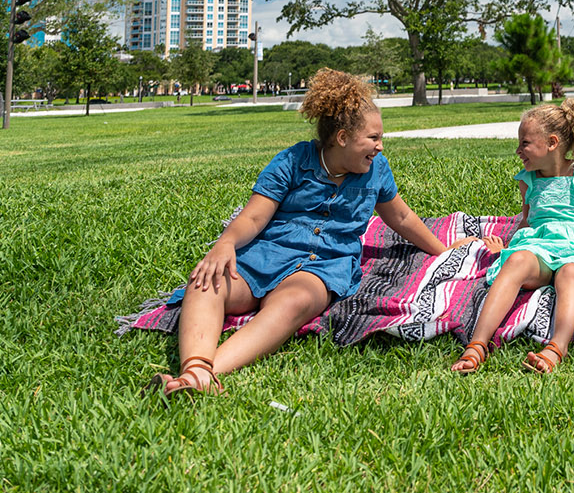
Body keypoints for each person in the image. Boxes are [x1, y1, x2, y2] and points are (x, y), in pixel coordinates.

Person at [158, 68, 495, 394]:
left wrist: (443, 250)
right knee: (206, 281)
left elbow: (402, 218)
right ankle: (195, 366)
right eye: (374, 138)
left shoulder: (376, 170)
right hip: (267, 254)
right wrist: (224, 245)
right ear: (343, 138)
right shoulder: (292, 160)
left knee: (293, 302)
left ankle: (204, 374)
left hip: (323, 266)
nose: (380, 147)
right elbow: (254, 218)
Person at [453, 98, 574, 375]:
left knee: (571, 273)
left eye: (525, 143)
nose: (518, 150)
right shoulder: (528, 179)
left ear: (552, 143)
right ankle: (477, 344)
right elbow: (526, 219)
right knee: (517, 261)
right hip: (540, 244)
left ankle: (557, 347)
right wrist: (507, 248)